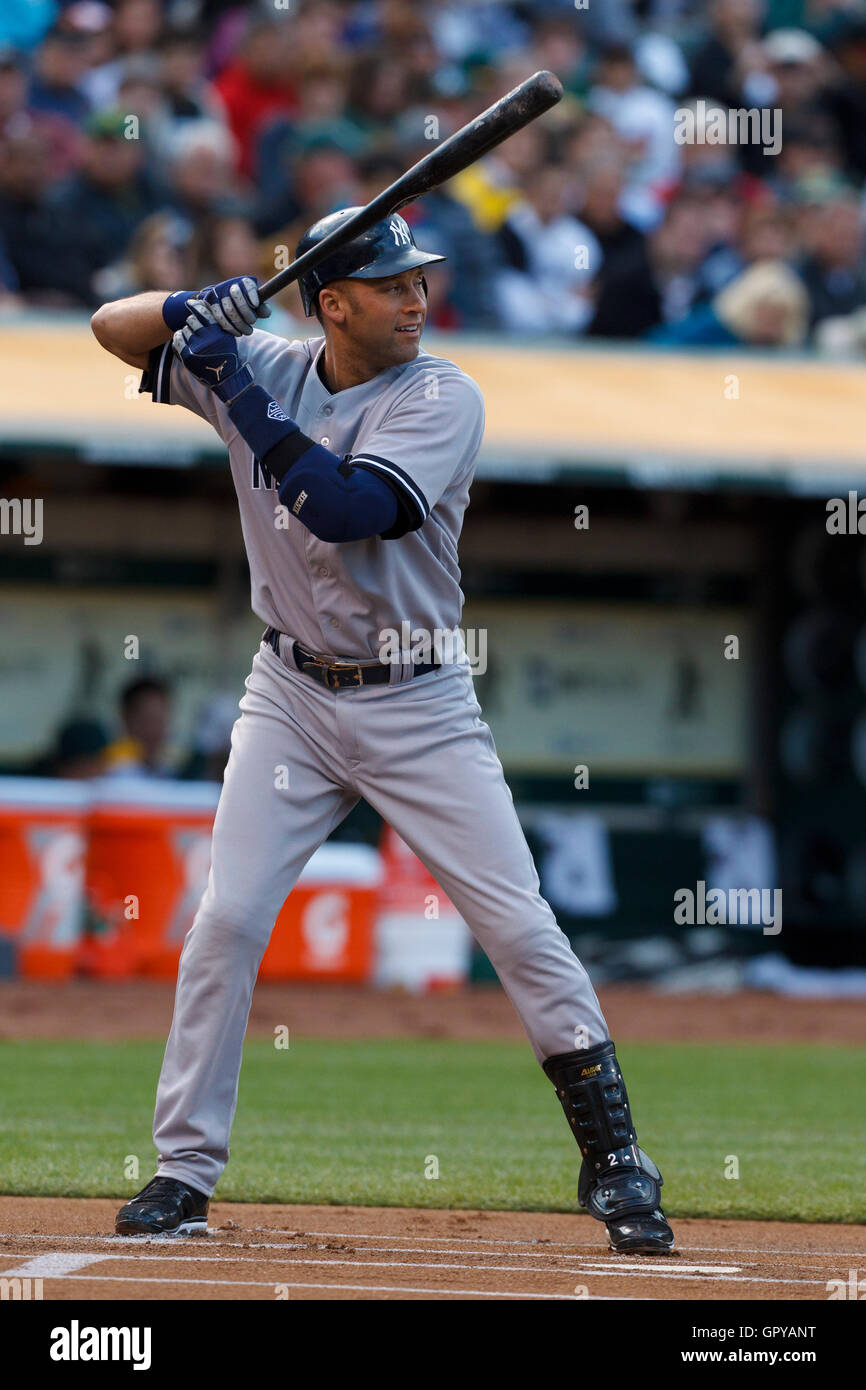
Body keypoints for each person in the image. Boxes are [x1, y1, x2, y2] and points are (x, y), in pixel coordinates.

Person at [91, 212, 675, 1255]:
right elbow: (107, 326)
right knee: (224, 922)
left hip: (417, 699)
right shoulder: (265, 356)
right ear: (332, 303)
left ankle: (616, 1157)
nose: (415, 300)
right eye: (390, 284)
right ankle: (182, 1171)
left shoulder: (441, 393)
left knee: (517, 925)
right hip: (288, 696)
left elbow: (346, 508)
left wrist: (232, 382)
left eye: (420, 283)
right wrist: (191, 308)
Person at [103, 675, 174, 778]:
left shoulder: (169, 772)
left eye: (160, 722)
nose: (154, 731)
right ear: (126, 719)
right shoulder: (109, 771)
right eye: (147, 721)